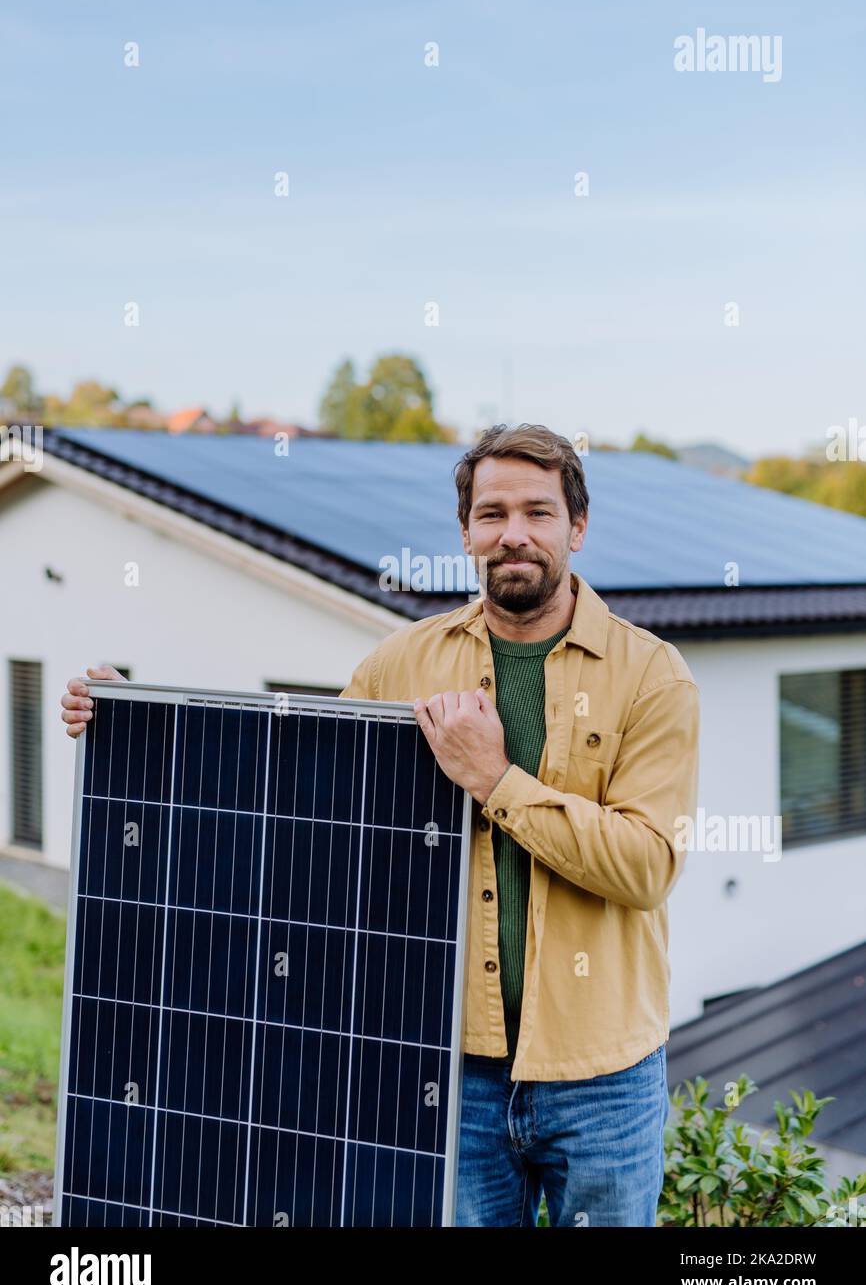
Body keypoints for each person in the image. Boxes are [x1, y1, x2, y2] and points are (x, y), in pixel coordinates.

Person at [60, 421, 700, 1228]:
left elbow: (646, 866)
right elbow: (297, 804)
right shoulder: (401, 665)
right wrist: (139, 726)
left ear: (577, 527)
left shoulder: (652, 677)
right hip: (446, 1064)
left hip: (604, 1070)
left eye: (538, 513)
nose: (514, 534)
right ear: (465, 531)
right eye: (492, 512)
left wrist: (494, 780)